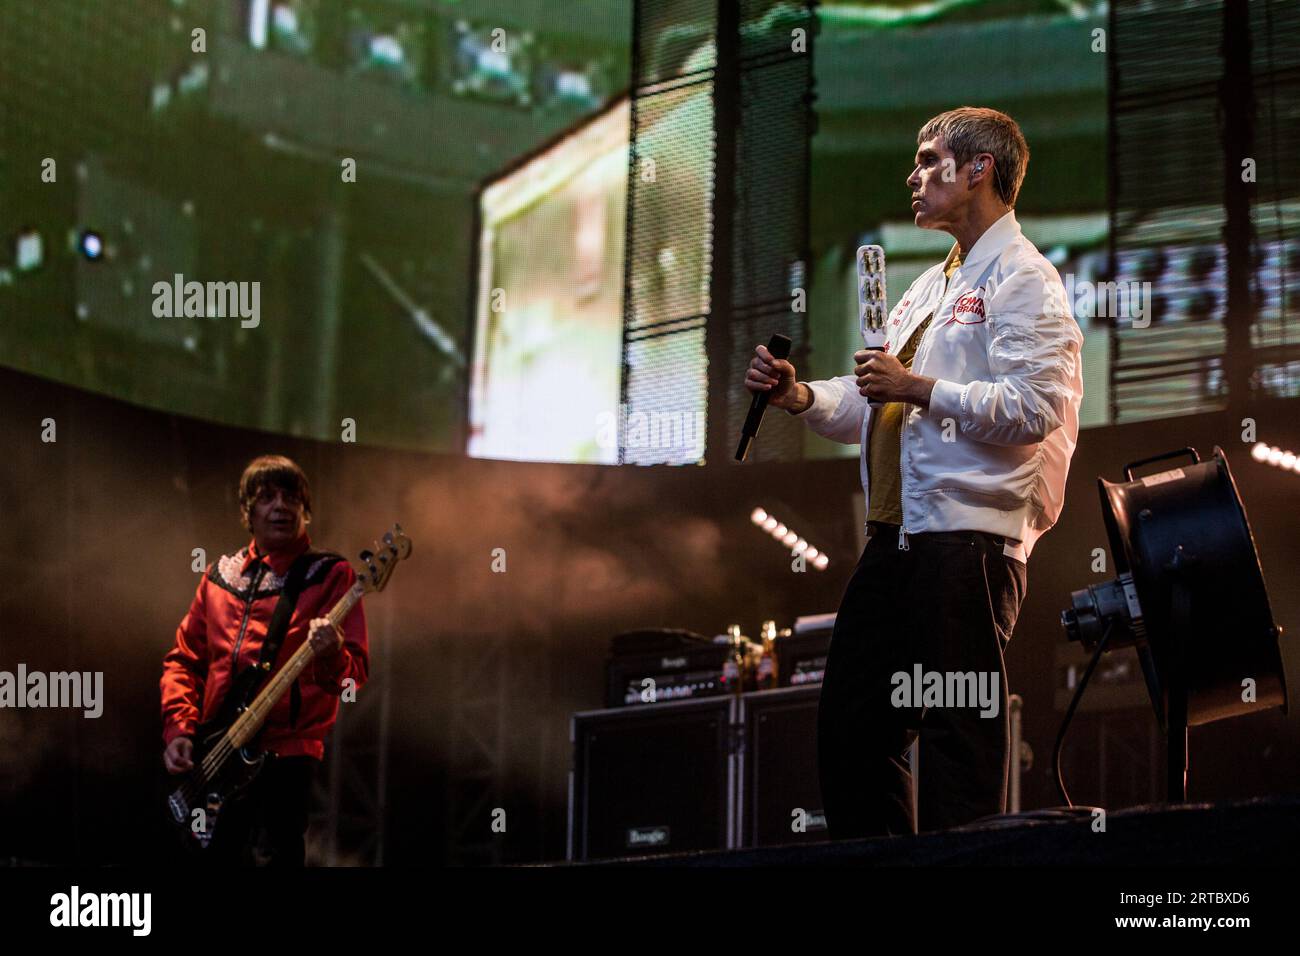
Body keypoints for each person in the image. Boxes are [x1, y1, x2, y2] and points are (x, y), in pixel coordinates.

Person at [745, 107, 1084, 838]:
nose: (915, 175)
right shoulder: (933, 284)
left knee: (958, 734)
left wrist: (917, 388)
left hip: (967, 541)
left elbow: (1037, 407)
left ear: (980, 169)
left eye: (931, 160)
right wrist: (801, 395)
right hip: (899, 538)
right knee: (853, 729)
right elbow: (875, 396)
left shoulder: (1024, 277)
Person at [160, 454, 369, 864]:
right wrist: (178, 729)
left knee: (278, 855)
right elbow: (184, 660)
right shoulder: (219, 576)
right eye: (267, 497)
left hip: (288, 755)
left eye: (292, 498)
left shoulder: (330, 575)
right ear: (247, 510)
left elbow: (352, 679)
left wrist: (332, 655)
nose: (281, 507)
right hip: (215, 752)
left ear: (305, 511)